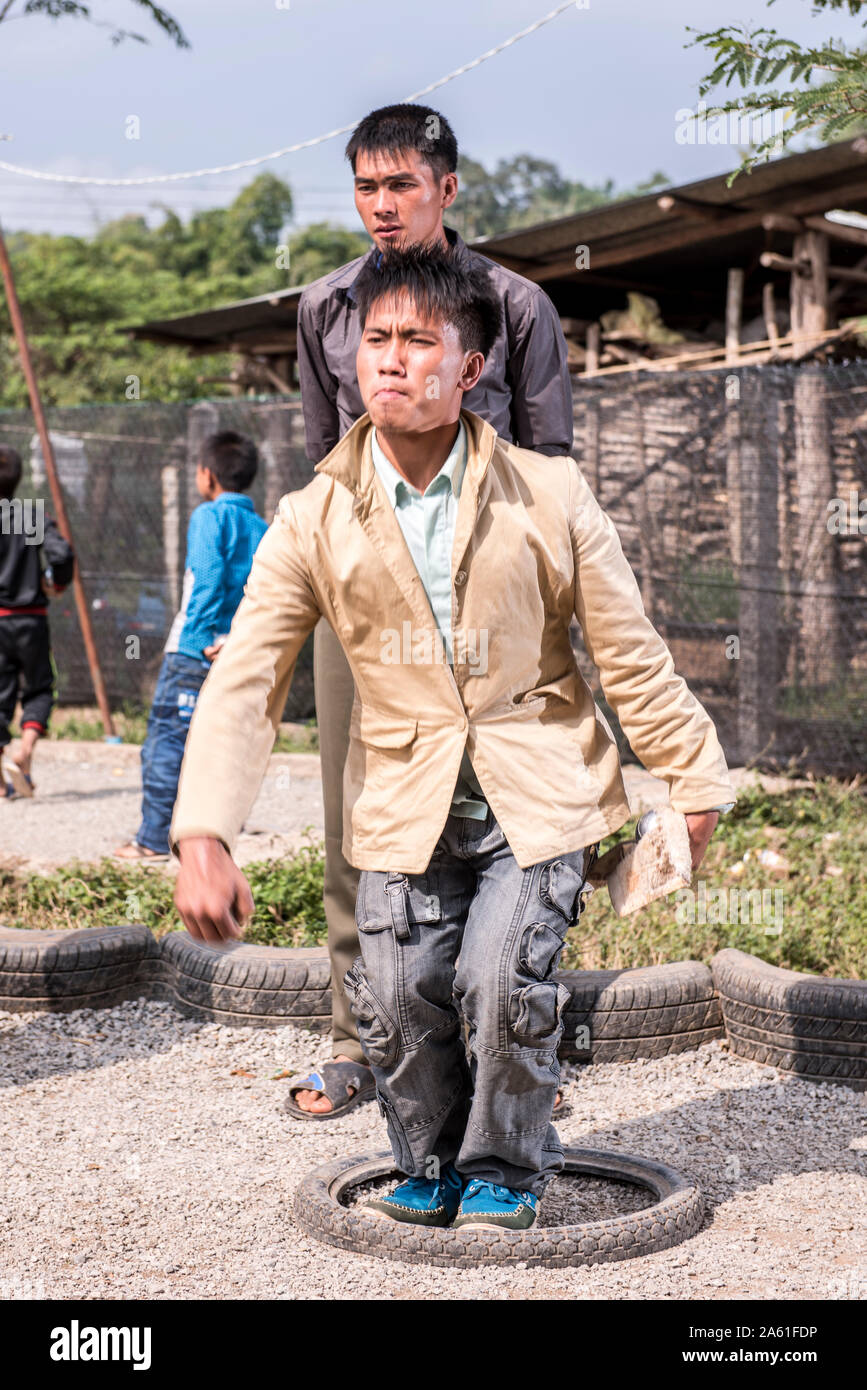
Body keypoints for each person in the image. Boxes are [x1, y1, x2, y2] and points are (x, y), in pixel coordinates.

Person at [170, 245, 736, 1230]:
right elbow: (248, 674)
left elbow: (628, 651)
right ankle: (426, 1158)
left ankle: (506, 1164)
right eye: (376, 340)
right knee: (392, 991)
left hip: (541, 785)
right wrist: (204, 832)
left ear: (469, 368)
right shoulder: (312, 516)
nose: (390, 359)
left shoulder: (549, 496)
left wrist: (692, 781)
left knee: (498, 972)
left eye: (417, 341)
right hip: (403, 798)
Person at [293, 101, 574, 1118]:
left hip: (485, 599)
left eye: (401, 184)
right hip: (361, 592)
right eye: (366, 185)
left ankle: (500, 1042)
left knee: (498, 817)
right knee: (353, 818)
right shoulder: (326, 307)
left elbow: (551, 468)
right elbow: (325, 456)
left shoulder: (519, 306)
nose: (381, 205)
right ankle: (355, 1035)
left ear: (448, 188)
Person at [115, 431, 267, 861]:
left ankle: (152, 839)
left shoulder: (208, 516)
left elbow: (207, 574)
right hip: (236, 653)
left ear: (207, 475)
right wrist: (238, 638)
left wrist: (200, 636)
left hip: (193, 652)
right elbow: (265, 591)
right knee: (221, 746)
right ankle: (214, 839)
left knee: (166, 741)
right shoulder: (263, 528)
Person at [0, 445, 74, 798]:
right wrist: (55, 582)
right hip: (31, 619)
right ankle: (25, 751)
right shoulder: (28, 515)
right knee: (40, 688)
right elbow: (63, 553)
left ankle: (1, 784)